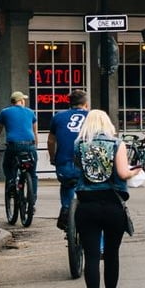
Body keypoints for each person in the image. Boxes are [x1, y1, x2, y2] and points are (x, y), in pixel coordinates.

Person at [72, 108, 136, 288]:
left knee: (91, 255)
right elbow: (123, 173)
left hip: (86, 205)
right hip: (111, 204)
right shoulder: (116, 143)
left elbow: (78, 168)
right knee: (111, 253)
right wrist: (138, 169)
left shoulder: (78, 144)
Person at [48, 87, 89, 235]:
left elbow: (51, 141)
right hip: (86, 164)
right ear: (85, 103)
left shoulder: (58, 117)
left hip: (64, 164)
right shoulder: (92, 117)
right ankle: (100, 246)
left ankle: (66, 210)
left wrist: (53, 158)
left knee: (67, 185)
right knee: (90, 194)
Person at [0, 90, 39, 210]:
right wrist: (35, 147)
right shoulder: (30, 112)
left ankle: (12, 182)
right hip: (30, 145)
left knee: (8, 166)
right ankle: (32, 200)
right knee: (33, 174)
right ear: (21, 101)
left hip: (13, 145)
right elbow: (35, 132)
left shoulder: (5, 112)